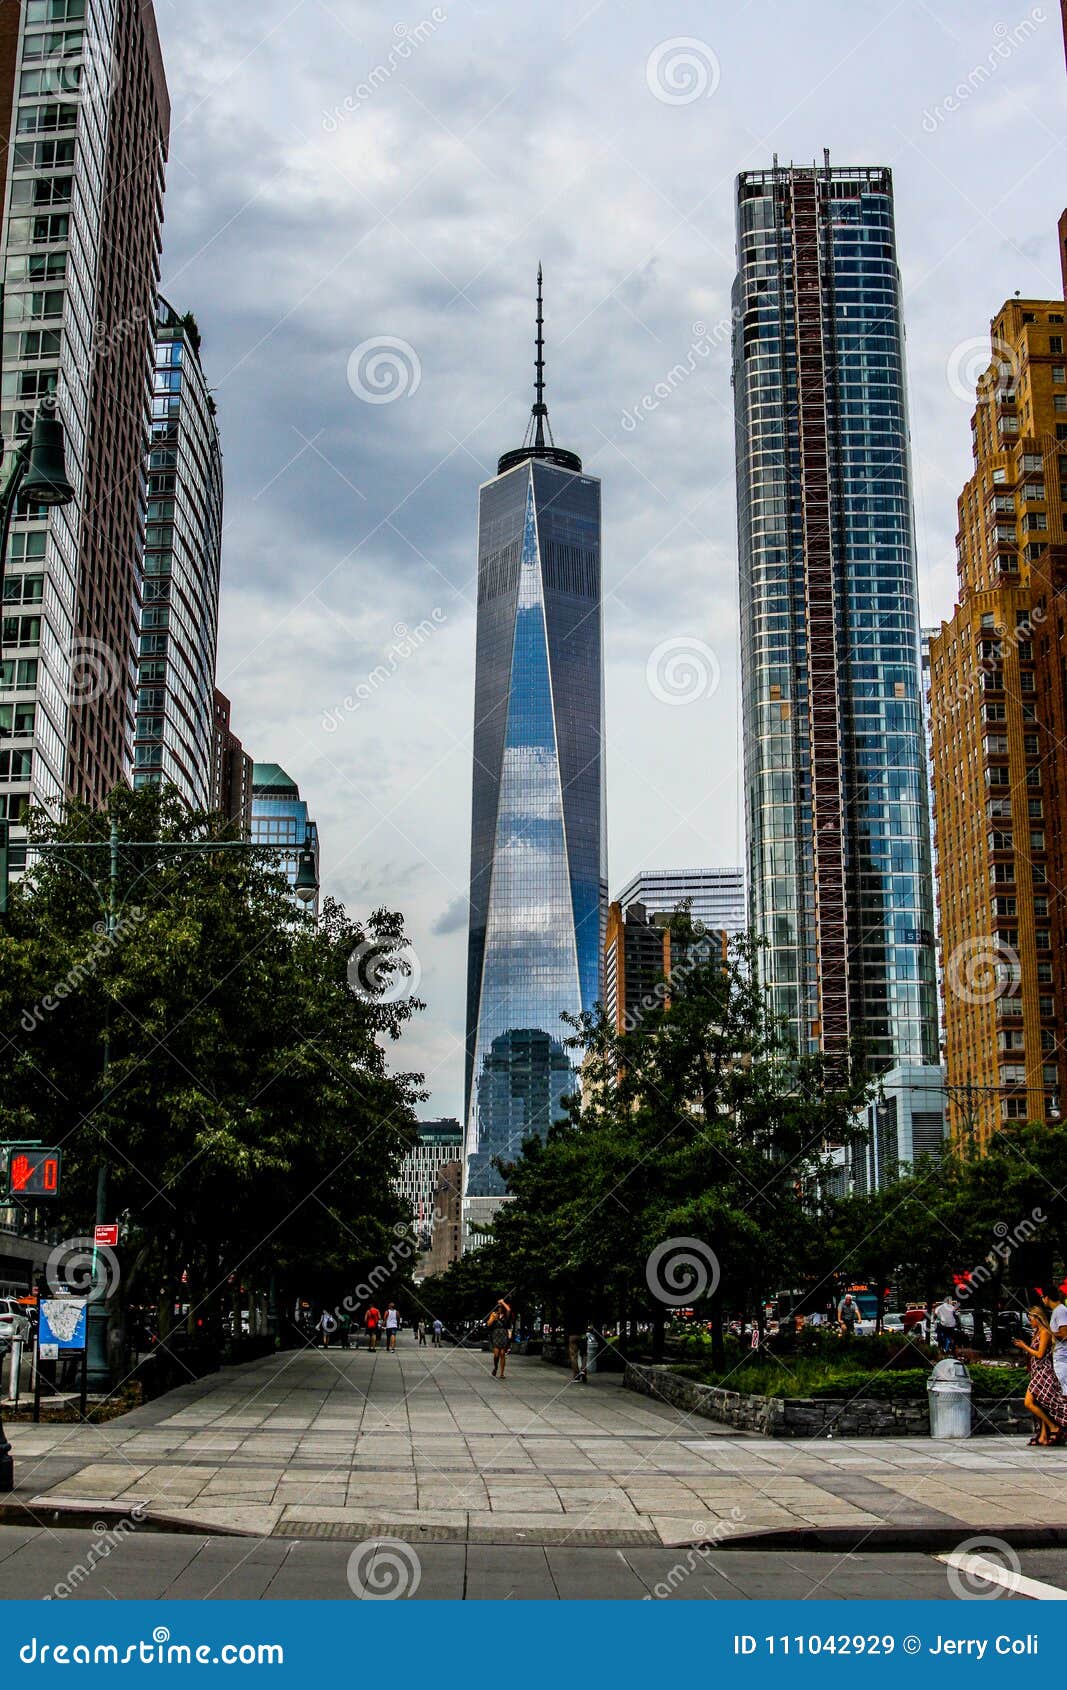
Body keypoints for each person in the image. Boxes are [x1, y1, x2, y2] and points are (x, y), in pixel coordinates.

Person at [1014, 1305, 1067, 1446]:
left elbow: (1040, 1354)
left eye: (1030, 1318)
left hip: (1044, 1373)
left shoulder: (1044, 1332)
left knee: (1029, 1402)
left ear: (1038, 1318)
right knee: (1040, 1404)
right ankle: (1043, 1435)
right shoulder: (1036, 1332)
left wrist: (1024, 1346)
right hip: (1036, 1371)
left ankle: (1054, 1427)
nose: (1029, 1321)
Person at [1041, 1289, 1067, 1398]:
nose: (1042, 1300)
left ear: (1047, 1298)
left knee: (1065, 1392)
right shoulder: (1057, 1311)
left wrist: (1049, 1332)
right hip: (1059, 1357)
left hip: (1062, 1359)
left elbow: (1065, 1335)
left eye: (1042, 1297)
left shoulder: (1060, 1311)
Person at [487, 1299, 513, 1379]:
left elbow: (509, 1309)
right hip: (495, 1335)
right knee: (496, 1354)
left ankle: (502, 1373)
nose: (500, 1309)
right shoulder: (494, 1314)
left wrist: (502, 1302)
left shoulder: (506, 1315)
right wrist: (492, 1318)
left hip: (503, 1335)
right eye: (499, 1307)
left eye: (501, 1307)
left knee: (502, 1354)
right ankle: (495, 1367)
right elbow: (488, 1324)